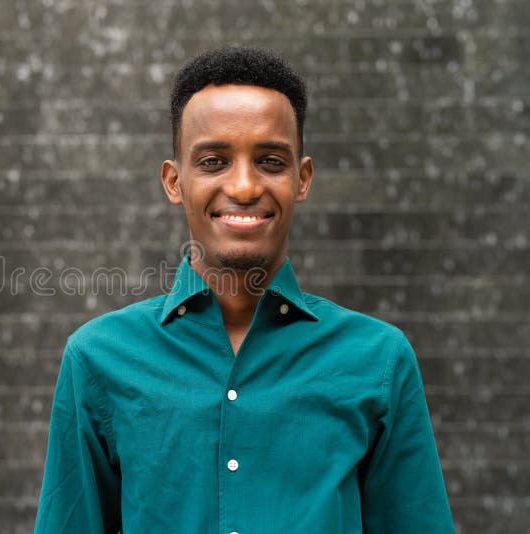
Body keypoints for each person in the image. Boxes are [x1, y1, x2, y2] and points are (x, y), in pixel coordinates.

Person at [35, 47, 455, 533]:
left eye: (271, 161)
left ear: (302, 179)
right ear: (175, 181)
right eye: (213, 160)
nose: (244, 185)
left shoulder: (379, 361)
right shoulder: (97, 359)